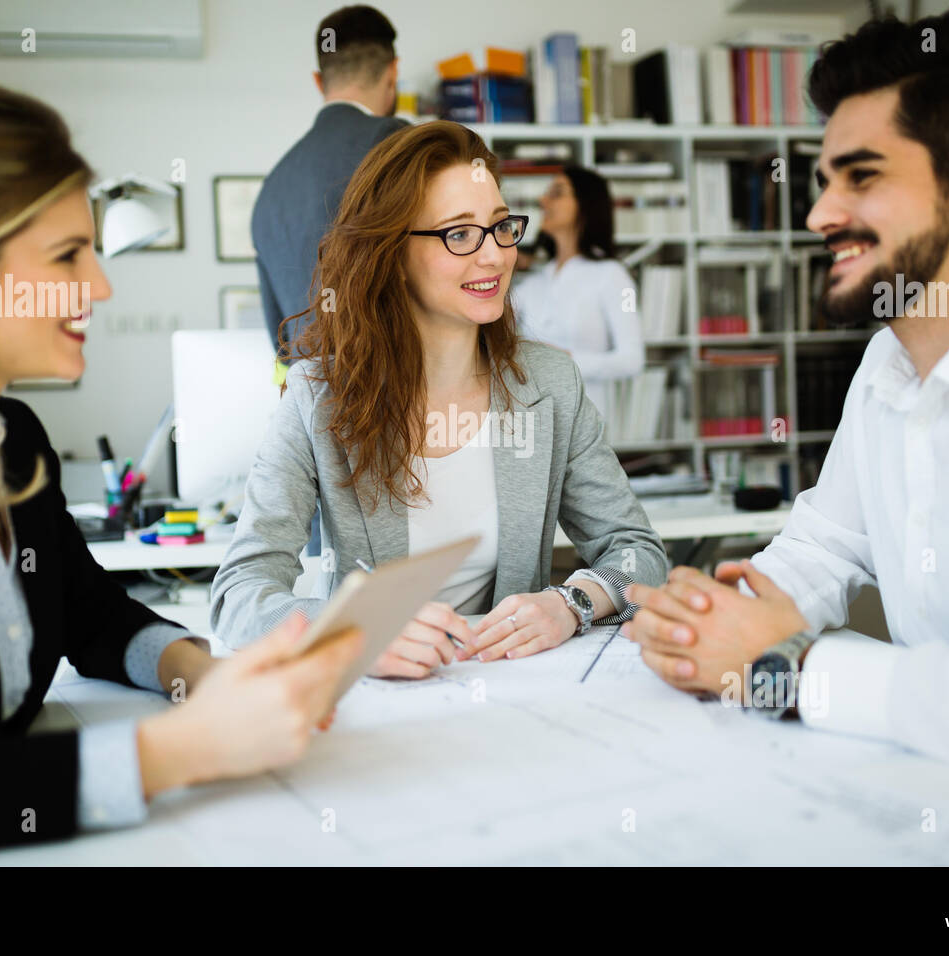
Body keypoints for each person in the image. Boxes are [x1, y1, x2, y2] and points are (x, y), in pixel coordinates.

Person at [0, 78, 365, 865]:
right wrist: (175, 753)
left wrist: (200, 674)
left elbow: (92, 615)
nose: (102, 286)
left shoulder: (15, 438)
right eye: (67, 256)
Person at [624, 11, 949, 790]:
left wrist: (792, 668)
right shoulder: (888, 362)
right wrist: (714, 618)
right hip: (941, 793)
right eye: (825, 180)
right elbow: (826, 546)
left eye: (862, 177)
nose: (819, 214)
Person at [210, 121, 668, 677]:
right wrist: (356, 631)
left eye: (501, 227)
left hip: (516, 694)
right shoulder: (318, 396)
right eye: (459, 234)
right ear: (393, 253)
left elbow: (638, 552)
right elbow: (239, 593)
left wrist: (571, 604)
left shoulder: (550, 383)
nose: (495, 256)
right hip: (381, 709)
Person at [251, 4, 408, 352]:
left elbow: (278, 338)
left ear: (319, 81)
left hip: (309, 395)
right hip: (395, 391)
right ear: (393, 71)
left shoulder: (272, 186)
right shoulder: (394, 142)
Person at [510, 165, 643, 414]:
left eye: (557, 193)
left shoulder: (614, 276)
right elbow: (492, 329)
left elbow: (632, 360)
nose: (543, 200)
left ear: (585, 204)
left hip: (585, 424)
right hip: (533, 422)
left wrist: (563, 360)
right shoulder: (535, 282)